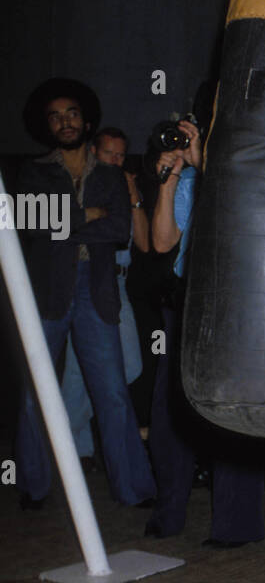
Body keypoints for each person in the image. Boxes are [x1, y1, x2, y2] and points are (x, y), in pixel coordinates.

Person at [14, 79, 155, 508]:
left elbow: (117, 230)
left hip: (96, 290)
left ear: (86, 119)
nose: (65, 121)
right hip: (46, 292)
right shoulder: (33, 171)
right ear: (48, 125)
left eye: (71, 113)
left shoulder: (111, 175)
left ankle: (134, 489)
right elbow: (28, 221)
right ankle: (34, 488)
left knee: (112, 392)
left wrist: (66, 220)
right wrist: (86, 214)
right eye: (55, 116)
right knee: (36, 392)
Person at [145, 117, 264, 547]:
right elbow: (160, 243)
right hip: (186, 303)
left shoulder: (242, 175)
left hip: (233, 304)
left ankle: (237, 525)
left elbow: (235, 218)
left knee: (228, 415)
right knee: (167, 415)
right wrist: (170, 178)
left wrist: (207, 163)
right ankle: (168, 512)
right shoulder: (190, 179)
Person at [60, 126, 146, 462]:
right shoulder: (83, 182)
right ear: (94, 152)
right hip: (84, 280)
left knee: (125, 366)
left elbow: (143, 243)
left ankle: (67, 442)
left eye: (121, 154)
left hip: (118, 283)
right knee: (78, 371)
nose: (115, 160)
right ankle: (70, 449)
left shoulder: (124, 184)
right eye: (109, 153)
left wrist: (134, 195)